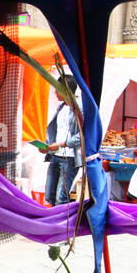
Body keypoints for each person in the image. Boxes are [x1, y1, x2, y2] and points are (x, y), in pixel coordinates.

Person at [44, 75, 83, 206]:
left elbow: (82, 136)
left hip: (69, 158)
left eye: (57, 89)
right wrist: (47, 145)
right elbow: (57, 130)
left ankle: (61, 225)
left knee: (61, 197)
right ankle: (54, 222)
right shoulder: (61, 107)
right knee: (50, 194)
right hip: (56, 155)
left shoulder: (80, 108)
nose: (55, 92)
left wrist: (62, 145)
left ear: (66, 90)